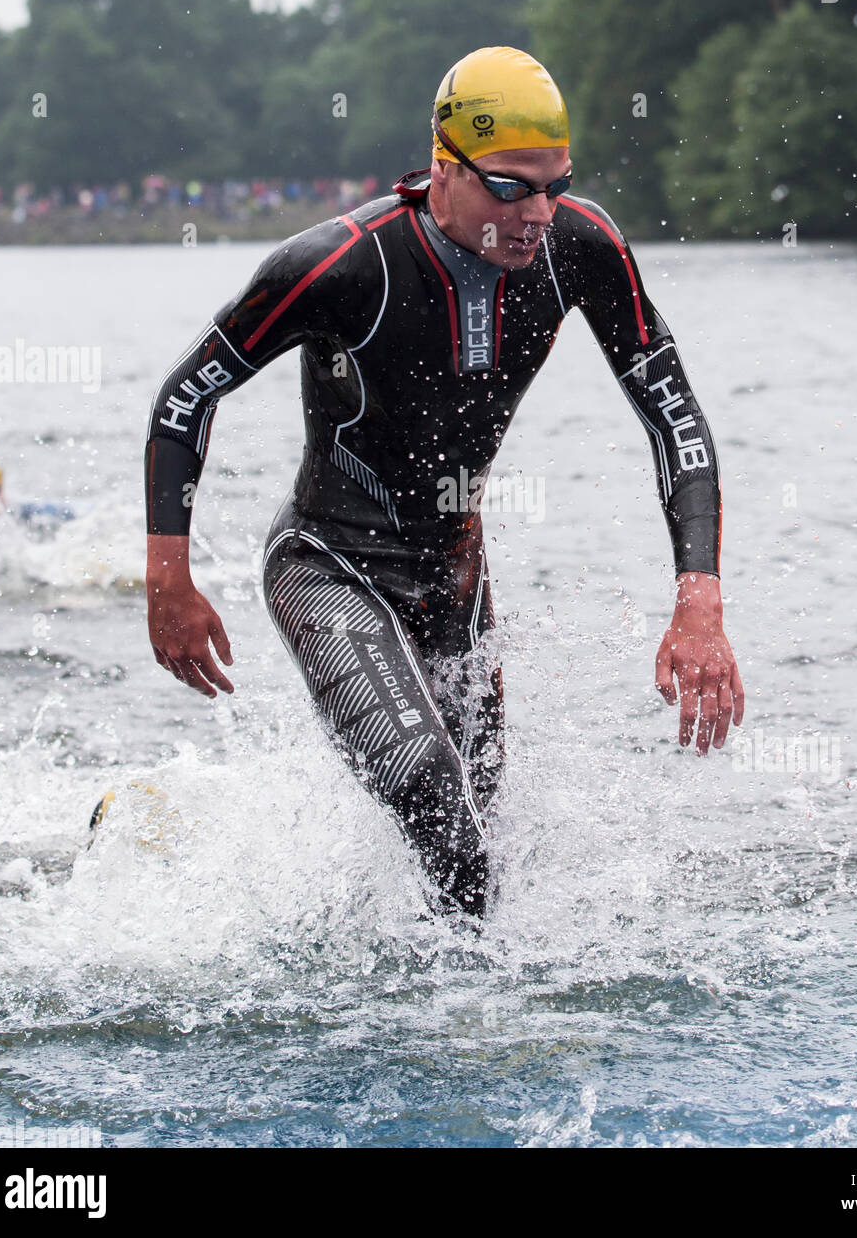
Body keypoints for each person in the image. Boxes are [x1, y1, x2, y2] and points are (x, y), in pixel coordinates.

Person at [144, 47, 744, 919]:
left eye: (554, 185)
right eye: (509, 187)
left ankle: (454, 1016)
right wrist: (169, 578)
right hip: (329, 565)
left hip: (454, 578)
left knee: (477, 844)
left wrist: (700, 600)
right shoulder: (336, 265)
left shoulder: (582, 247)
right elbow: (184, 398)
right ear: (441, 169)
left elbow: (675, 418)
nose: (537, 212)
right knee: (435, 800)